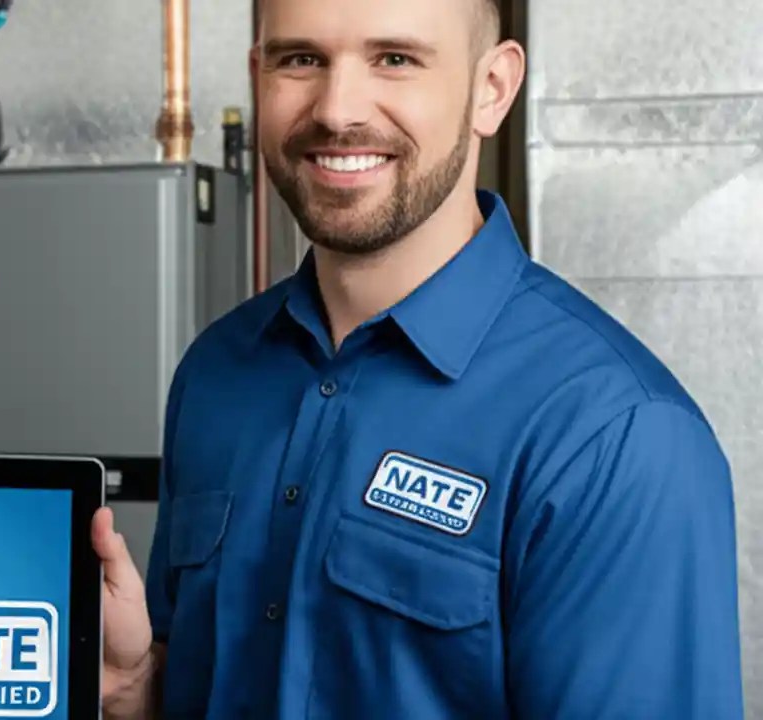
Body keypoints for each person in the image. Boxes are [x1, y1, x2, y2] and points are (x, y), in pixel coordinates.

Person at [92, 0, 745, 717]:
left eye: (394, 59)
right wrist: (139, 689)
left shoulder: (616, 438)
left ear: (491, 88)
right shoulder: (217, 372)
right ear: (258, 76)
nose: (338, 109)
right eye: (301, 59)